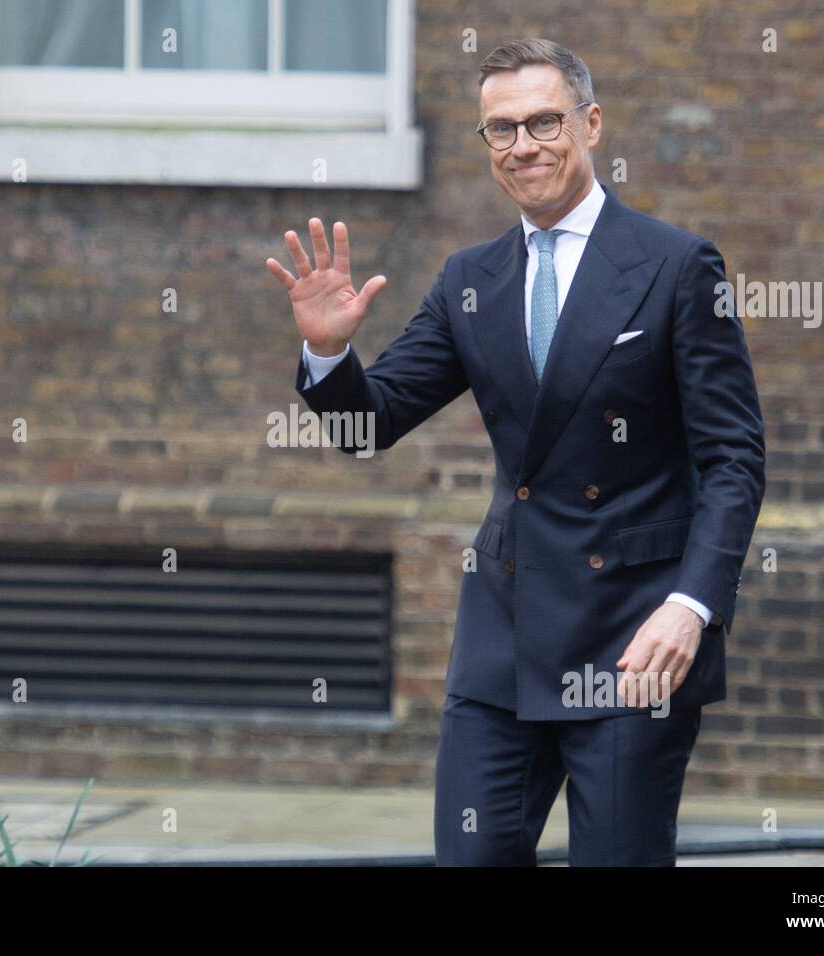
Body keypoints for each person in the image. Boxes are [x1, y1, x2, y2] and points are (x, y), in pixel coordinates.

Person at [265, 38, 765, 866]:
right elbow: (372, 425)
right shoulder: (472, 278)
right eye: (502, 129)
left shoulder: (676, 265)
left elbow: (733, 457)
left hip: (633, 640)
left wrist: (693, 606)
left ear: (591, 123)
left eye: (543, 121)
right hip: (502, 639)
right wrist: (327, 357)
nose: (524, 145)